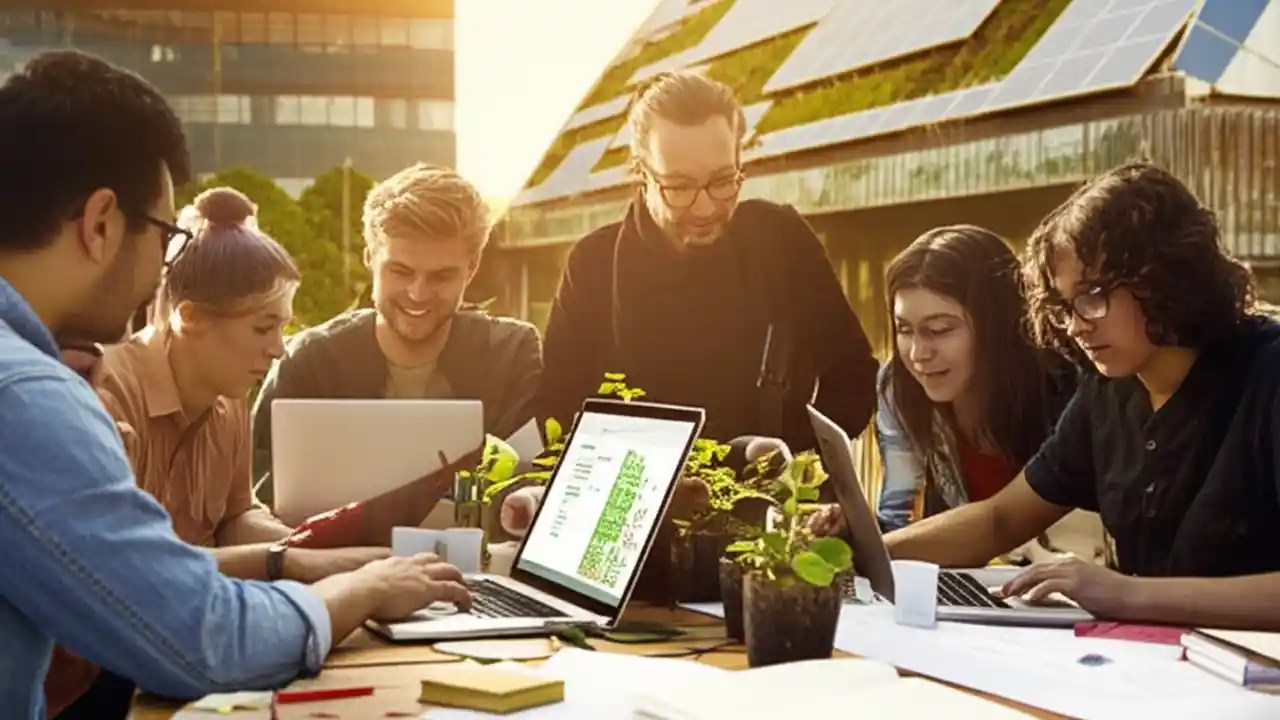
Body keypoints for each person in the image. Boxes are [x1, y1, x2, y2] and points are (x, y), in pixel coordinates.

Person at [0, 50, 470, 718]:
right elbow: (201, 637)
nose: (164, 273)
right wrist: (360, 590)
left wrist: (297, 559)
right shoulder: (26, 398)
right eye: (165, 238)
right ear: (100, 224)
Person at [830, 162, 1280, 630]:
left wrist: (1126, 594)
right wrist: (856, 551)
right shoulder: (1110, 389)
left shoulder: (1267, 375)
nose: (1076, 325)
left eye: (1093, 296)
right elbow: (1001, 520)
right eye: (1065, 306)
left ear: (1166, 274)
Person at [531, 71, 878, 453]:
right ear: (641, 173)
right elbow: (558, 412)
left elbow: (854, 376)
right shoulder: (592, 266)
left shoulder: (780, 240)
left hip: (770, 501)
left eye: (722, 180)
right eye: (679, 187)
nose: (706, 207)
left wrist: (794, 460)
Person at [252, 163, 542, 508]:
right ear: (370, 258)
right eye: (400, 271)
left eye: (441, 277)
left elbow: (531, 482)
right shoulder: (308, 361)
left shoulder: (511, 355)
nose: (418, 294)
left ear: (472, 268)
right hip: (330, 560)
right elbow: (259, 499)